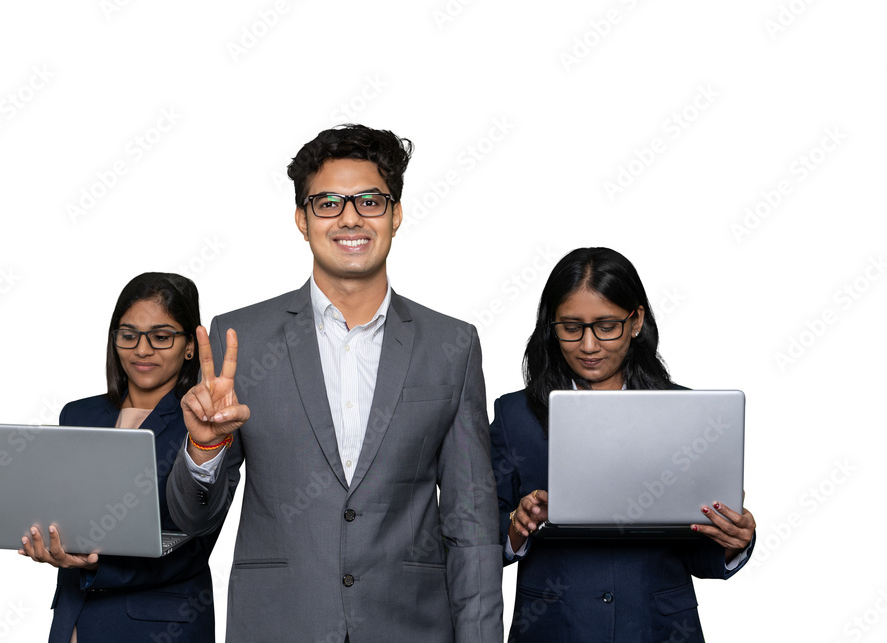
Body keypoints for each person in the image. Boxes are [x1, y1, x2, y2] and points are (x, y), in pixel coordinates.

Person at [166, 124, 503, 642]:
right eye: (327, 203)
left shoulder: (451, 345)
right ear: (302, 220)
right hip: (280, 624)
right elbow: (192, 519)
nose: (350, 218)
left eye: (370, 201)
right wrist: (205, 448)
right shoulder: (240, 340)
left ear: (395, 214)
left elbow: (472, 526)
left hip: (409, 627)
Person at [490, 247, 756, 643]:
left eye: (606, 326)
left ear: (636, 322)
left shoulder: (686, 414)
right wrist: (517, 526)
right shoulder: (516, 416)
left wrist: (733, 542)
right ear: (551, 326)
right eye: (571, 327)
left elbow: (698, 554)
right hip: (555, 627)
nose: (589, 345)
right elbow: (474, 537)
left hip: (658, 629)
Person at [19, 272, 220, 643]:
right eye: (129, 335)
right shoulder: (77, 415)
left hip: (159, 626)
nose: (142, 350)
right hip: (73, 620)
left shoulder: (207, 424)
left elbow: (193, 546)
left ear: (190, 346)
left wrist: (91, 565)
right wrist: (49, 539)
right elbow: (67, 513)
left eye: (161, 336)